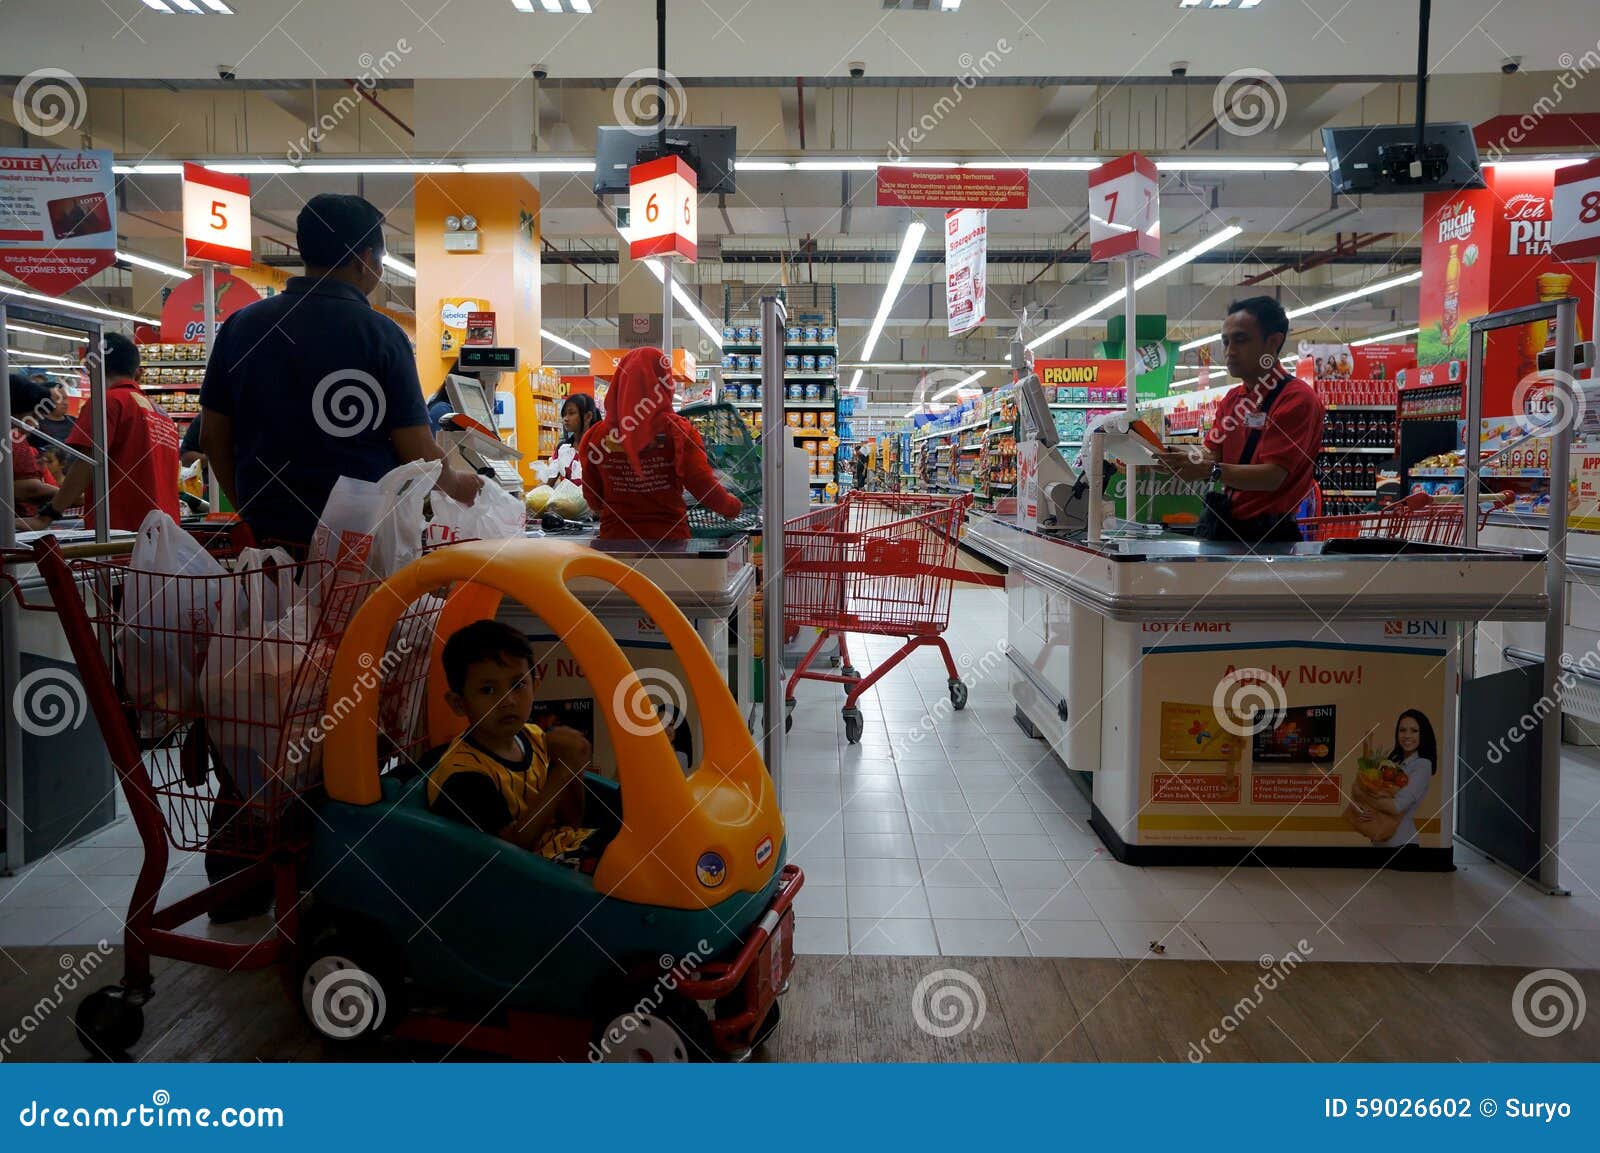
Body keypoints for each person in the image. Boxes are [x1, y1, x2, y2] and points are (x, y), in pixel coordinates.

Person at [199, 193, 481, 549]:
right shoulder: (381, 335)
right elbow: (417, 449)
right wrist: (457, 485)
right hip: (357, 542)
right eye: (380, 259)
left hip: (269, 540)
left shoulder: (241, 326)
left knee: (273, 590)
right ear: (364, 260)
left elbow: (212, 437)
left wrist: (249, 509)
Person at [427, 620, 605, 868]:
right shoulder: (464, 776)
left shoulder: (534, 736)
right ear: (459, 703)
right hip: (534, 876)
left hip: (571, 851)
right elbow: (511, 854)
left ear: (535, 685)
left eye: (518, 684)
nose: (508, 701)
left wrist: (573, 766)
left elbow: (572, 821)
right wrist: (561, 772)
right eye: (488, 690)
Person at [1154, 296, 1324, 544]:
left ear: (1273, 342)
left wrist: (1210, 470)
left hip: (1269, 537)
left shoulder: (1297, 399)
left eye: (1241, 340)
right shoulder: (1234, 399)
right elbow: (1213, 453)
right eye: (1226, 341)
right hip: (1225, 526)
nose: (1229, 351)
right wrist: (1174, 457)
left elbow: (1273, 476)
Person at [21, 335, 181, 533]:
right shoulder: (160, 413)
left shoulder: (106, 402)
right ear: (137, 370)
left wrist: (47, 515)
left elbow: (86, 463)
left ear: (91, 366)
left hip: (121, 531)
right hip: (165, 529)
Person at [577, 346, 740, 541]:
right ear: (664, 383)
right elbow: (702, 485)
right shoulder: (679, 432)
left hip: (615, 544)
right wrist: (732, 506)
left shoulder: (596, 436)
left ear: (619, 382)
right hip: (670, 543)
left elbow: (593, 498)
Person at [1348, 710, 1437, 847]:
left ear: (1423, 734)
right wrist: (1363, 810)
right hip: (1380, 840)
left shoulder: (1422, 765)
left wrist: (1365, 797)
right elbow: (1364, 792)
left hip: (1402, 843)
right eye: (1402, 730)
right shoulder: (1393, 761)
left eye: (1414, 731)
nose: (1407, 735)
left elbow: (1396, 807)